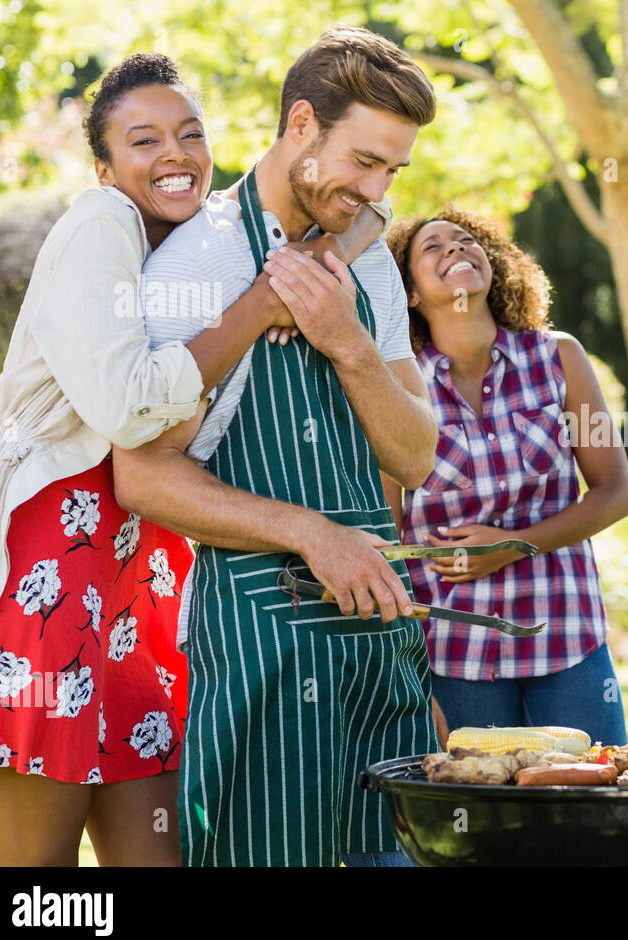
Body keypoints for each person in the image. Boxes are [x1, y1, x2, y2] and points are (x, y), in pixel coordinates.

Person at [0, 53, 388, 867]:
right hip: (56, 572)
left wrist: (345, 228)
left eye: (190, 134)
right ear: (104, 166)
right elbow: (125, 406)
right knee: (39, 881)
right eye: (144, 139)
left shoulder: (196, 247)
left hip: (144, 579)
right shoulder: (100, 223)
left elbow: (351, 226)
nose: (175, 155)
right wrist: (265, 302)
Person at [111, 26, 445, 868]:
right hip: (265, 646)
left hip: (379, 644)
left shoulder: (366, 258)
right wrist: (312, 533)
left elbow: (414, 458)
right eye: (364, 161)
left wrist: (350, 344)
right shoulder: (200, 263)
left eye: (393, 172)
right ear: (301, 124)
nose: (378, 191)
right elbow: (144, 475)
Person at [384, 208, 628, 746]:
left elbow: (615, 494)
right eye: (433, 247)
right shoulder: (398, 389)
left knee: (597, 814)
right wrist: (409, 674)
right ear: (408, 294)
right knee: (479, 824)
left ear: (492, 264)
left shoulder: (558, 357)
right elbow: (389, 539)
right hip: (452, 648)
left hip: (566, 635)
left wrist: (514, 547)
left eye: (465, 240)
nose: (454, 249)